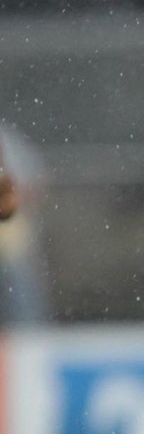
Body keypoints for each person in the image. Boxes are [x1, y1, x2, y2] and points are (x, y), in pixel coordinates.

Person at [0, 124, 52, 326]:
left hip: (8, 226)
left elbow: (32, 184)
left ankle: (29, 328)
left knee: (17, 269)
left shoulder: (7, 141)